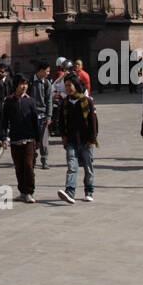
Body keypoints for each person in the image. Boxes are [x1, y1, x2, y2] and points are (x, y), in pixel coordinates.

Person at [0, 74, 41, 201]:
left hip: (29, 139)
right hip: (15, 139)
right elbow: (4, 121)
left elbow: (36, 122)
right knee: (19, 167)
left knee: (28, 165)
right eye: (22, 84)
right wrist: (3, 137)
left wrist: (38, 140)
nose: (24, 87)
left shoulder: (31, 102)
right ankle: (22, 191)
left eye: (26, 84)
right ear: (16, 85)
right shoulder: (8, 102)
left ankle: (29, 191)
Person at [57, 72, 98, 203]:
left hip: (86, 141)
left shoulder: (86, 101)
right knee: (72, 166)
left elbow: (93, 122)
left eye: (69, 85)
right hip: (71, 140)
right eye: (66, 86)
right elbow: (61, 122)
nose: (67, 88)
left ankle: (89, 190)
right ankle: (70, 192)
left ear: (75, 85)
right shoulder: (64, 103)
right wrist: (63, 136)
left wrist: (92, 139)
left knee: (88, 167)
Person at [28, 61, 52, 169]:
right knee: (31, 139)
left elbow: (49, 101)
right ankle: (32, 158)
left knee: (44, 141)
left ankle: (44, 160)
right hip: (30, 116)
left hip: (42, 116)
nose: (48, 73)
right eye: (47, 71)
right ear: (41, 71)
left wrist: (49, 116)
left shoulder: (46, 83)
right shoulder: (29, 82)